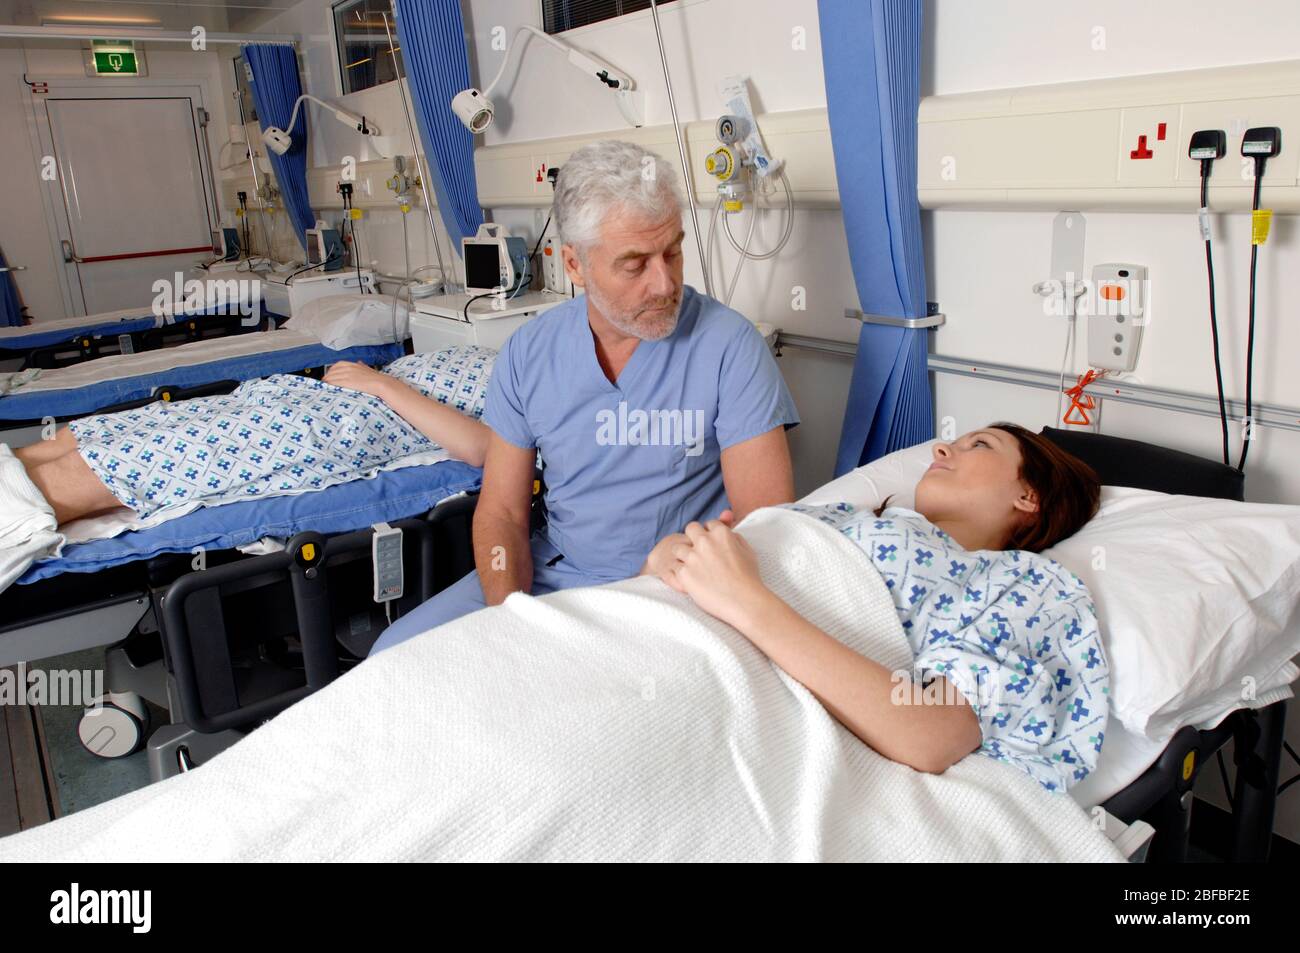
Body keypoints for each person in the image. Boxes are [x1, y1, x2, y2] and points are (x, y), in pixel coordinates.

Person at [370, 140, 800, 654]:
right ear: (575, 265)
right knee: (393, 656)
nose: (665, 284)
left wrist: (678, 586)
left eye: (673, 251)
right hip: (556, 576)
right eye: (635, 264)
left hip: (677, 588)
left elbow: (766, 528)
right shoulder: (530, 353)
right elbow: (503, 513)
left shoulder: (729, 347)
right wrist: (509, 618)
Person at [641, 424, 1109, 791]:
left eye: (980, 445)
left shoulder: (1020, 585)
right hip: (649, 627)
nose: (942, 450)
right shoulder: (849, 514)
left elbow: (929, 734)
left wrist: (748, 602)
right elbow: (710, 563)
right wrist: (665, 560)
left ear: (1028, 495)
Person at [10, 348, 493, 527]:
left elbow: (480, 448)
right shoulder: (537, 346)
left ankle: (15, 510)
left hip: (348, 426)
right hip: (319, 397)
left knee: (144, 457)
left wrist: (381, 384)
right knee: (126, 427)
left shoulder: (559, 394)